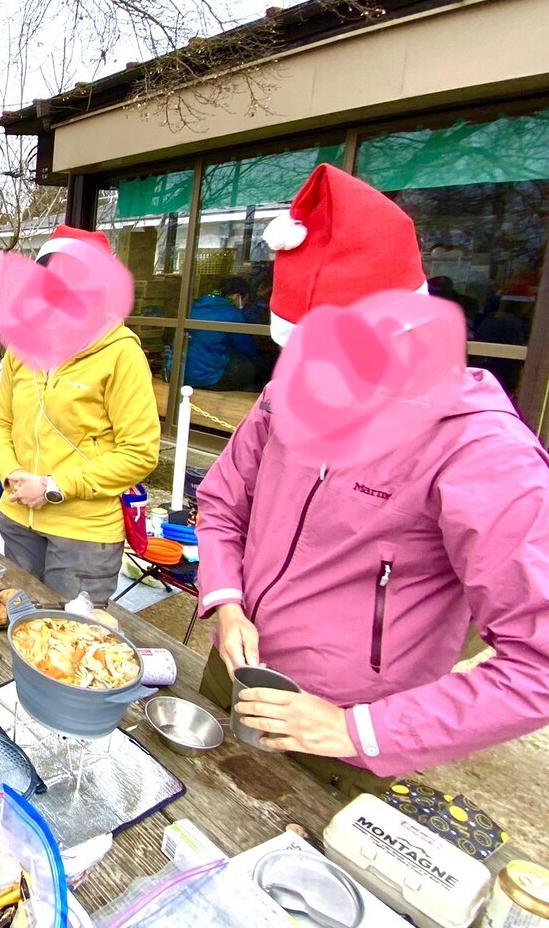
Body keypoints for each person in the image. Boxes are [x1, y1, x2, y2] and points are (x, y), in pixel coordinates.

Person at [196, 164, 549, 791]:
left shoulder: (482, 451)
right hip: (235, 669)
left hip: (344, 730)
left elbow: (537, 665)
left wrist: (357, 730)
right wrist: (226, 602)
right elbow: (223, 505)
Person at [0, 225, 161, 605]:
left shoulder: (121, 354)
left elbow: (139, 453)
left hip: (84, 535)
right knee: (15, 621)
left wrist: (53, 486)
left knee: (70, 635)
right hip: (19, 519)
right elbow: (3, 424)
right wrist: (11, 473)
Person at [182, 277, 275, 391]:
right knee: (257, 365)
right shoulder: (232, 313)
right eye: (245, 301)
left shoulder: (194, 306)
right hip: (210, 378)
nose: (244, 305)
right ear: (236, 297)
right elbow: (247, 349)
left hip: (182, 375)